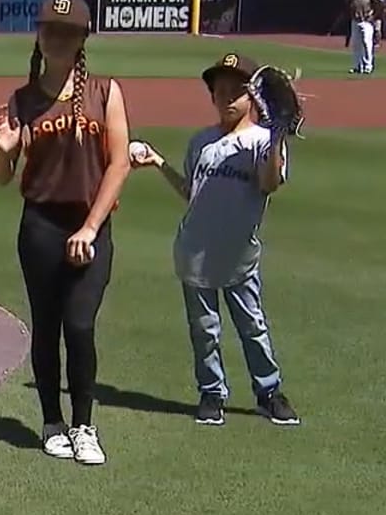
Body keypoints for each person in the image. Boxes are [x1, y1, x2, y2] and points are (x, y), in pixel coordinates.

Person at [0, 0, 133, 466]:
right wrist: (6, 149)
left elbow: (119, 163)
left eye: (68, 31)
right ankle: (52, 421)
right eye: (50, 29)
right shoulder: (22, 100)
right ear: (38, 35)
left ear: (82, 39)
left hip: (90, 225)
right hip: (41, 226)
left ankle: (84, 424)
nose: (57, 38)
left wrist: (91, 227)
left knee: (80, 324)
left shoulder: (105, 92)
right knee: (46, 326)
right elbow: (1, 176)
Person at [128, 53, 301, 427]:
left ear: (254, 97)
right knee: (204, 329)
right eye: (218, 90)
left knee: (252, 325)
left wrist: (277, 137)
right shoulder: (202, 142)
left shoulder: (262, 141)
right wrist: (158, 162)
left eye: (236, 90)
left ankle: (268, 391)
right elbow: (192, 192)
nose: (226, 98)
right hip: (195, 250)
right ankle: (211, 392)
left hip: (238, 253)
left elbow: (269, 184)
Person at [347, 0, 386, 75]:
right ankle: (357, 66)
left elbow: (382, 3)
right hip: (355, 21)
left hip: (366, 21)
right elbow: (348, 5)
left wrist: (374, 16)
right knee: (356, 44)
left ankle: (368, 66)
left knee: (367, 43)